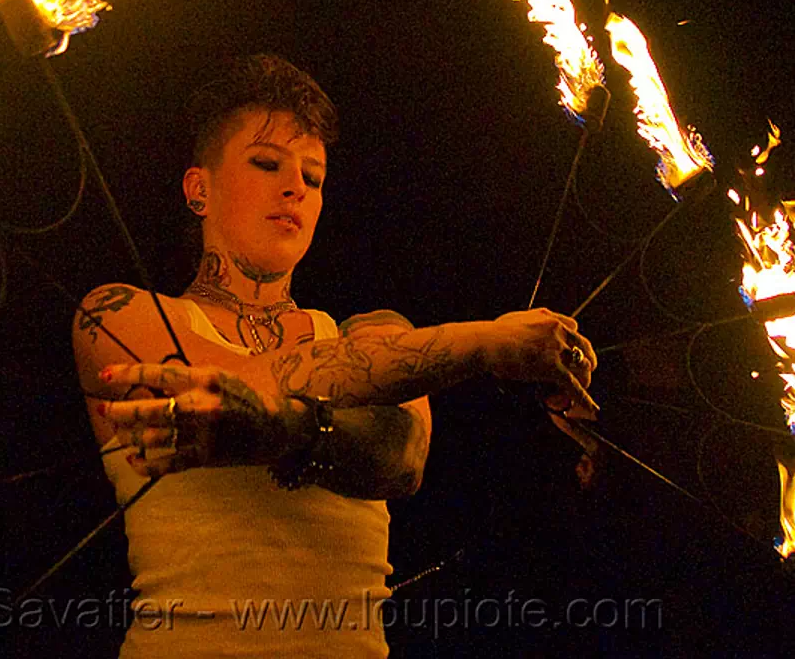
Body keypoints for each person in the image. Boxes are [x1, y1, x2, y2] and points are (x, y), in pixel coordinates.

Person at [74, 55, 597, 656]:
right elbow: (231, 388)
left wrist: (287, 431)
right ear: (199, 188)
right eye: (267, 163)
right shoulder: (120, 314)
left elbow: (402, 459)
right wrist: (482, 341)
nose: (295, 186)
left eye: (314, 177)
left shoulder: (371, 331)